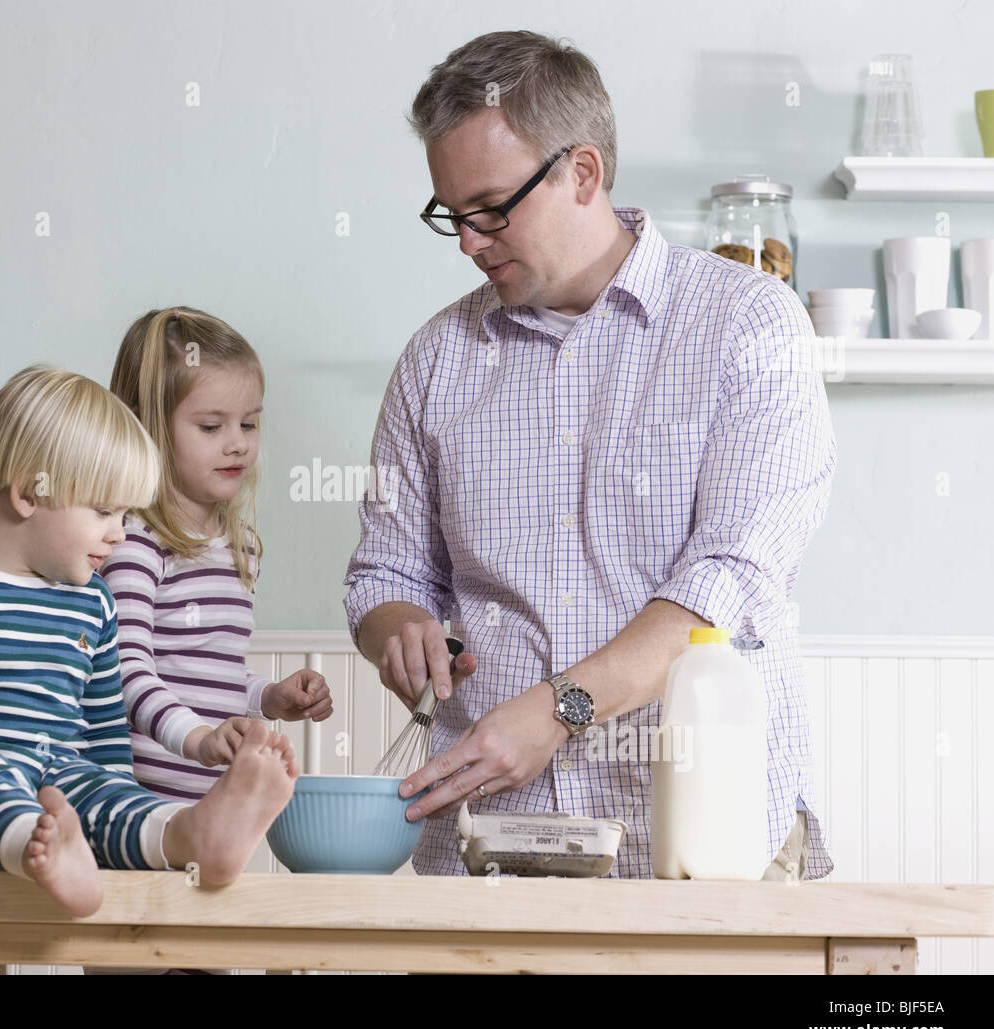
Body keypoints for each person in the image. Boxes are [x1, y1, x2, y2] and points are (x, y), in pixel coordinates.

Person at [343, 30, 836, 882]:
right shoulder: (434, 361)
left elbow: (729, 577)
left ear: (583, 173)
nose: (469, 240)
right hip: (487, 855)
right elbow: (383, 573)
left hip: (701, 846)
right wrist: (402, 631)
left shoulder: (750, 325)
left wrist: (560, 709)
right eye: (451, 214)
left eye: (492, 207)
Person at [0, 366, 299, 917]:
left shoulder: (93, 601)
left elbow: (104, 732)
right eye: (103, 511)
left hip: (49, 790)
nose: (119, 533)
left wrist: (122, 801)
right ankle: (40, 848)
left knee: (90, 785)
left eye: (125, 514)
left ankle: (186, 835)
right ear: (28, 493)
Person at [104, 307, 334, 804]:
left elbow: (212, 671)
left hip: (209, 806)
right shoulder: (135, 543)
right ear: (148, 428)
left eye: (248, 424)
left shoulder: (241, 545)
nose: (237, 445)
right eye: (211, 427)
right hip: (139, 808)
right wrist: (197, 739)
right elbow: (126, 672)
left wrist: (267, 697)